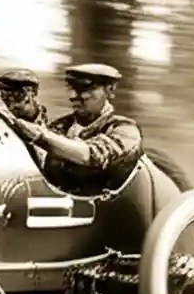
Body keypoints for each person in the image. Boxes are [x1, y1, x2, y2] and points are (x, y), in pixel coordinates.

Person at [13, 63, 142, 195]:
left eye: (84, 88)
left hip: (107, 211)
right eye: (72, 88)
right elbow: (37, 165)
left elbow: (90, 155)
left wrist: (41, 136)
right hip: (56, 208)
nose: (73, 95)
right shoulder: (61, 126)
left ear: (109, 90)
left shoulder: (124, 130)